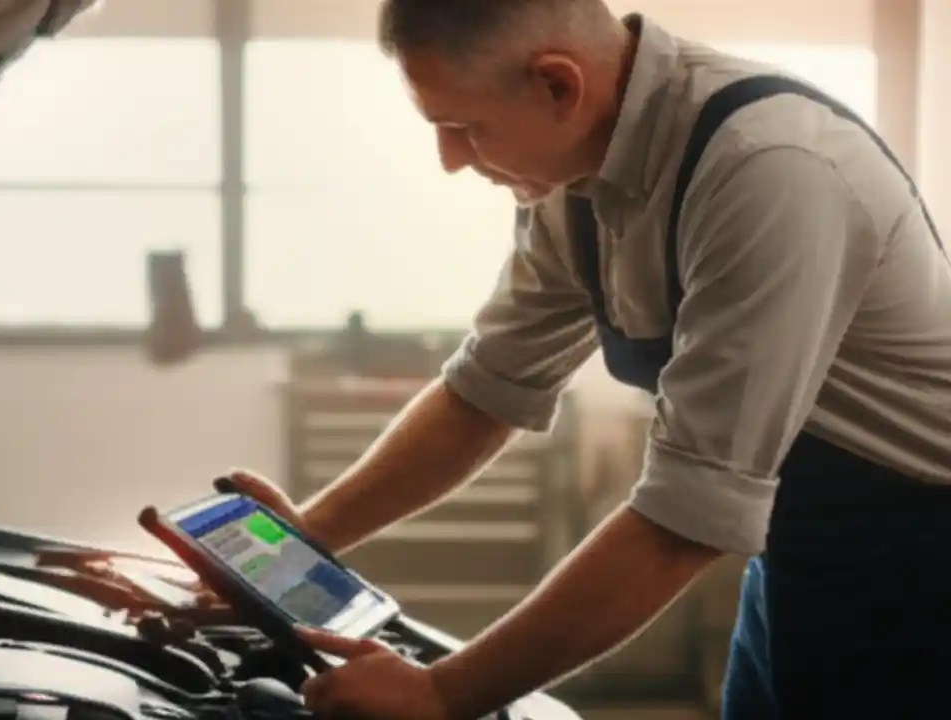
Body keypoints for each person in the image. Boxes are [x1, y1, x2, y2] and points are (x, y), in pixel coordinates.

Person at [212, 1, 951, 718]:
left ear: (558, 85)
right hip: (798, 564)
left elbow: (684, 519)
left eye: (465, 128)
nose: (449, 161)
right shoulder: (576, 178)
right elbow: (485, 393)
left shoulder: (771, 170)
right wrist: (302, 542)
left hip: (924, 573)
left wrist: (441, 694)